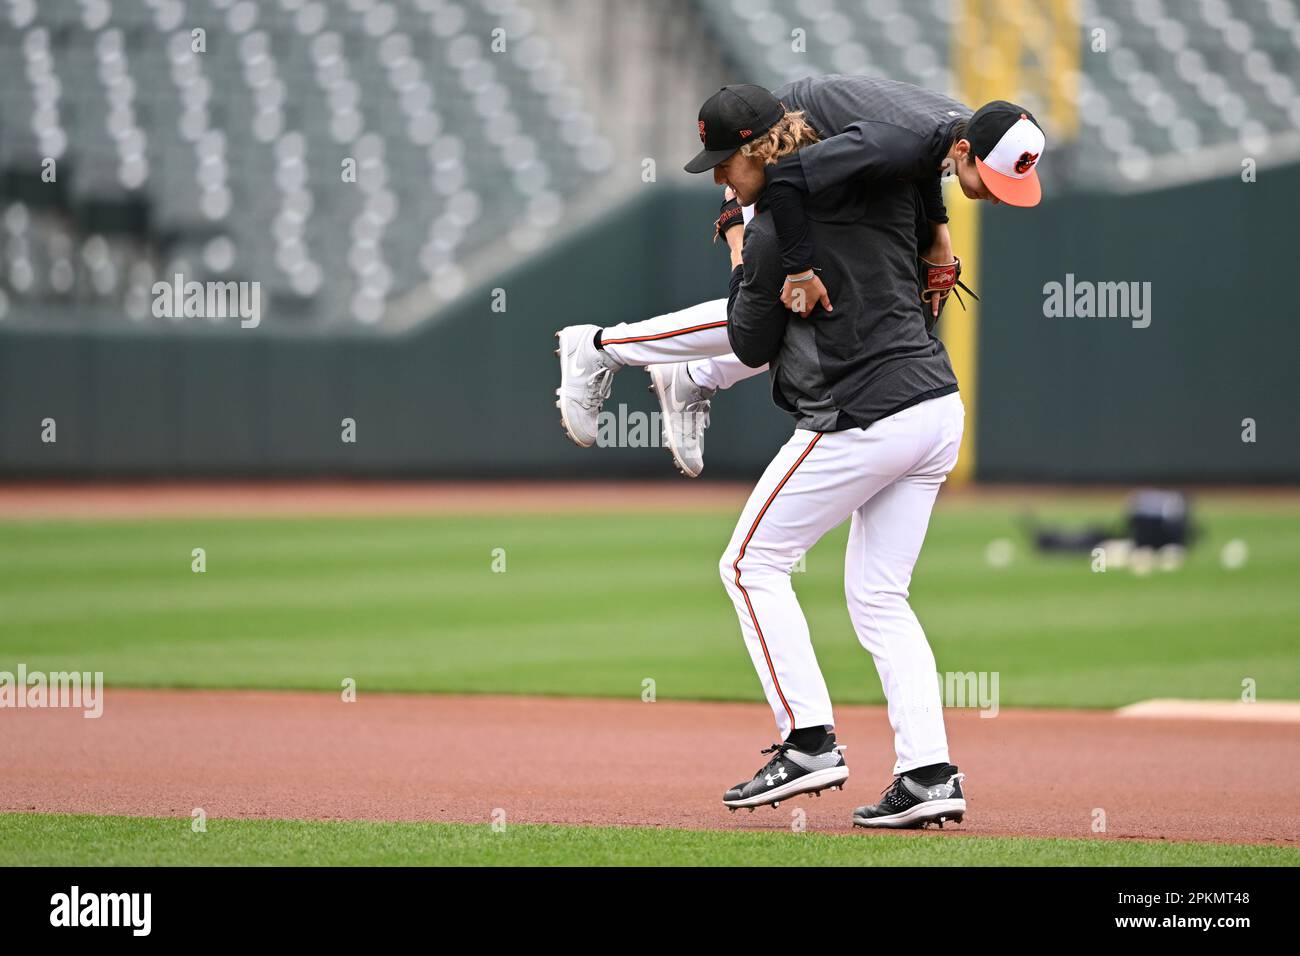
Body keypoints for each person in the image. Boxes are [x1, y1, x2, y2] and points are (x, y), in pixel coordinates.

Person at [554, 77, 1045, 477]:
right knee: (770, 302)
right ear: (966, 149)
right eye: (994, 181)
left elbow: (923, 164)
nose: (1000, 196)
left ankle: (693, 375)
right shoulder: (909, 141)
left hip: (812, 156)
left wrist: (939, 243)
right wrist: (797, 267)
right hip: (773, 146)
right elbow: (792, 176)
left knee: (819, 314)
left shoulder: (955, 130)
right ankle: (600, 347)